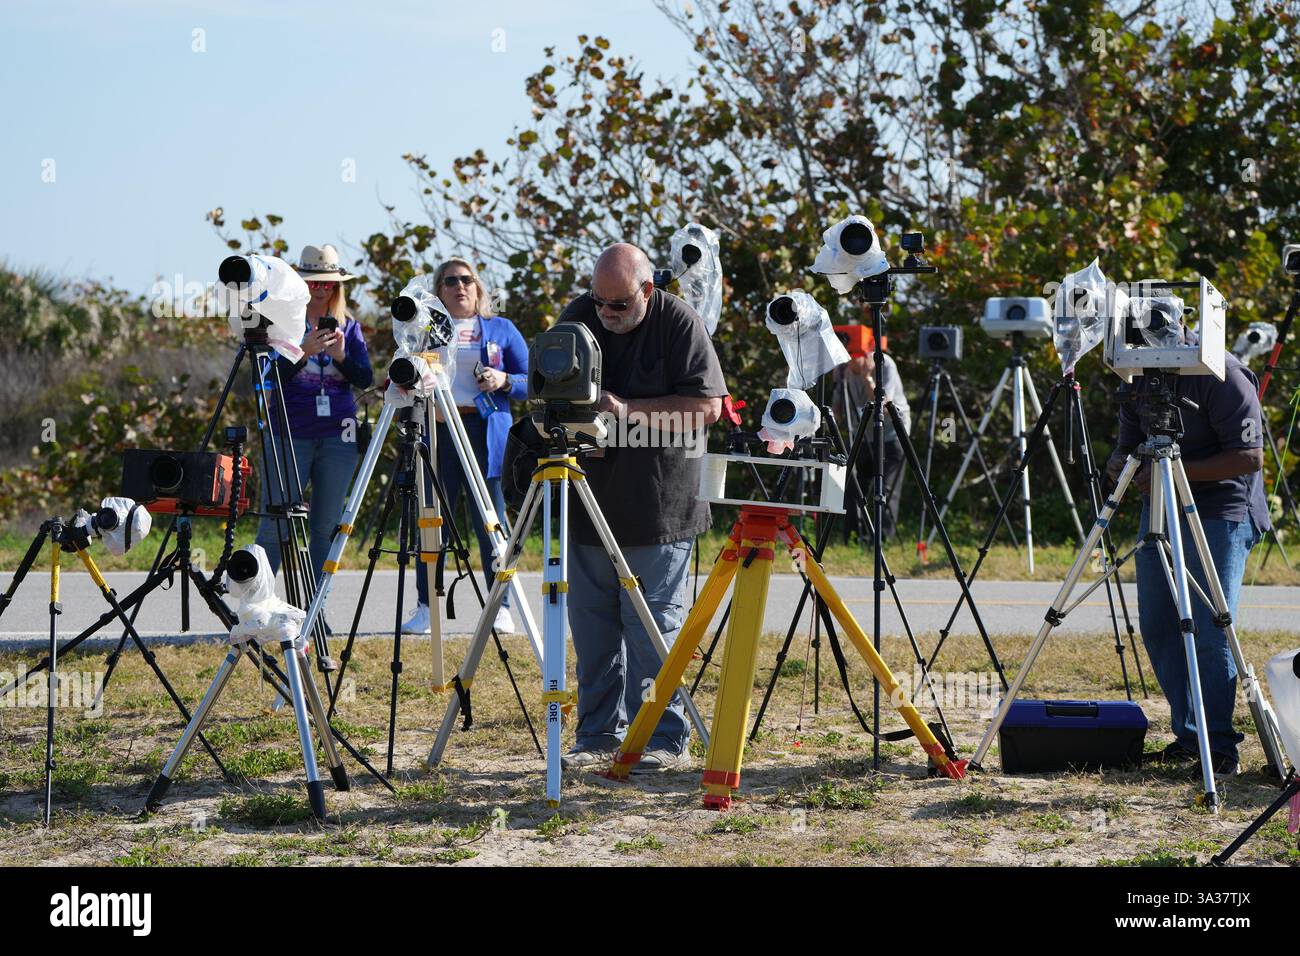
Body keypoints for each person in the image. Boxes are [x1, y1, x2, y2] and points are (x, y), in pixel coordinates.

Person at [555, 243, 727, 772]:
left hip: (660, 506)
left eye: (619, 304)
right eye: (599, 301)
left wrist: (625, 410)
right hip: (589, 503)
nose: (606, 313)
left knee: (652, 630)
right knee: (593, 629)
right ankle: (596, 735)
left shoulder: (679, 323)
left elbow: (708, 408)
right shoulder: (580, 317)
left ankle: (659, 737)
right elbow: (550, 390)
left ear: (648, 291)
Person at [1105, 327, 1270, 778]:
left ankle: (1219, 748)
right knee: (1159, 622)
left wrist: (1177, 472)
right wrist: (1120, 463)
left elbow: (1249, 456)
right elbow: (1127, 443)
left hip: (1222, 508)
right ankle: (1189, 736)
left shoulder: (1223, 372)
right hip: (1161, 505)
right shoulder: (1138, 371)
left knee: (1208, 627)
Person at [401, 257, 529, 636]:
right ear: (438, 291)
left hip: (484, 431)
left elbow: (535, 380)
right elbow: (404, 373)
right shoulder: (426, 330)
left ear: (478, 287)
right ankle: (426, 607)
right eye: (450, 281)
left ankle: (501, 607)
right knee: (433, 521)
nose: (460, 287)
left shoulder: (501, 328)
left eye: (467, 280)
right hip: (438, 429)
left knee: (490, 522)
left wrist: (504, 380)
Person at [255, 244, 373, 580]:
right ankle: (259, 601)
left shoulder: (349, 327)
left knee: (326, 526)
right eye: (313, 282)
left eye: (328, 283)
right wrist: (302, 351)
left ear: (337, 287)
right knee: (276, 522)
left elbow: (365, 379)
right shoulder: (279, 324)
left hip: (338, 436)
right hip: (289, 432)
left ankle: (318, 605)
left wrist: (341, 357)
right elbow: (265, 378)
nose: (320, 289)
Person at [833, 331, 911, 541]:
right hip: (862, 435)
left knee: (885, 488)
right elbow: (837, 411)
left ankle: (882, 540)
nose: (851, 362)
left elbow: (883, 408)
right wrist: (838, 383)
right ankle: (853, 536)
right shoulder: (844, 371)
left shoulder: (885, 365)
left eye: (854, 356)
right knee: (853, 485)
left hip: (892, 435)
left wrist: (868, 379)